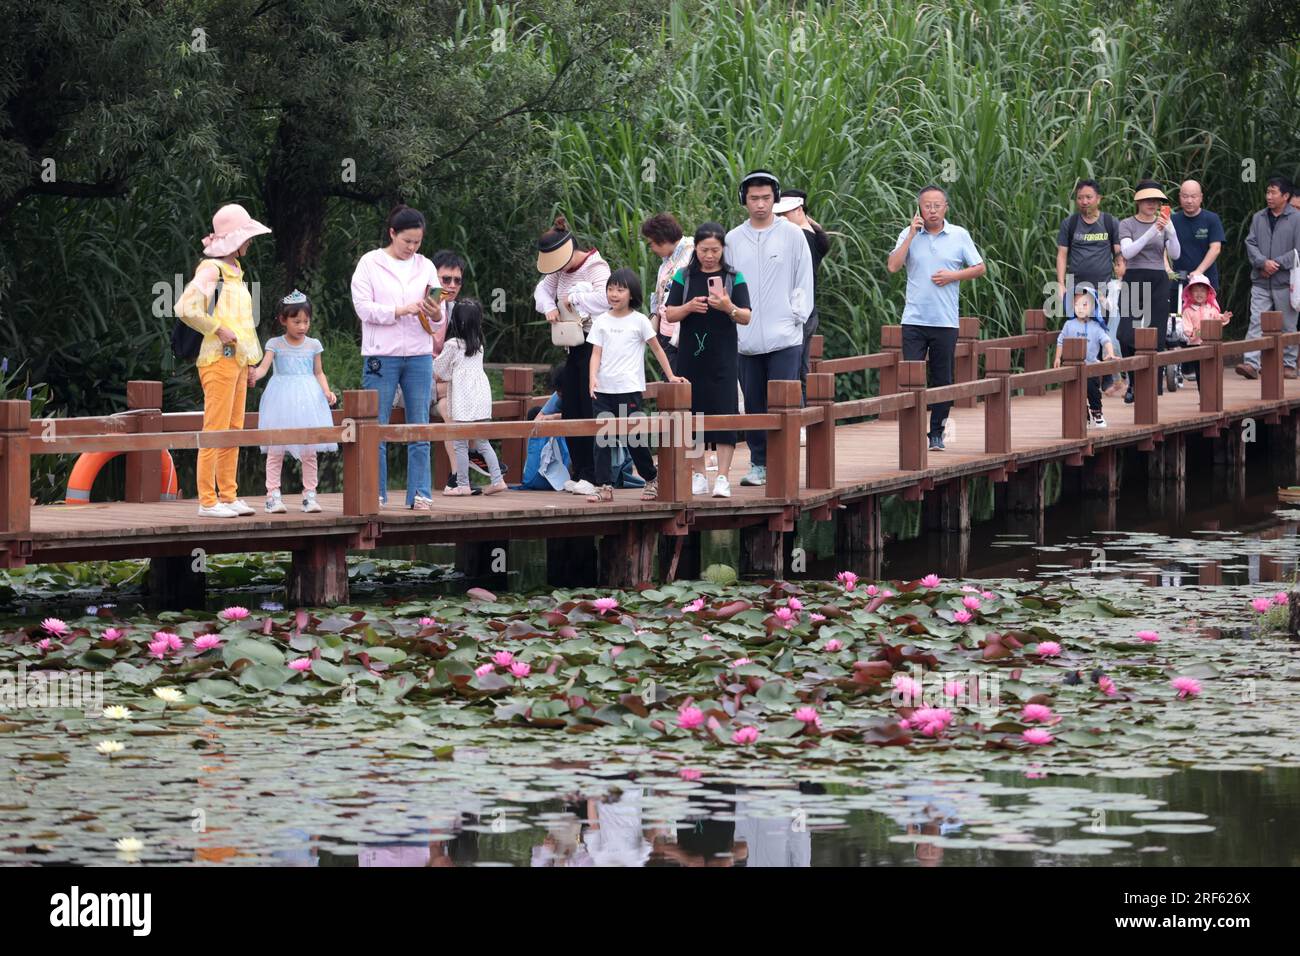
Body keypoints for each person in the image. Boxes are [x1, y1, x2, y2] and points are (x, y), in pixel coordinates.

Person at [173, 203, 271, 518]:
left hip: (238, 360)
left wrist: (251, 361)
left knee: (234, 427)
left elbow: (243, 324)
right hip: (217, 358)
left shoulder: (235, 271)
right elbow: (185, 307)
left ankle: (228, 495)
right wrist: (217, 329)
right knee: (215, 427)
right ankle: (208, 500)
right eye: (246, 237)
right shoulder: (211, 269)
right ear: (234, 239)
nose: (250, 243)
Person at [726, 170, 814, 485]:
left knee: (783, 402)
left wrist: (797, 315)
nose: (760, 204)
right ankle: (758, 464)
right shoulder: (733, 239)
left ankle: (784, 462)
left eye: (766, 198)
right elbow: (728, 284)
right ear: (744, 201)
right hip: (746, 338)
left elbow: (804, 278)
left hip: (785, 336)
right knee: (753, 404)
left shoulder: (792, 234)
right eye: (754, 199)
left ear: (774, 199)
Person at [351, 204, 440, 509]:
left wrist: (436, 312)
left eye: (417, 242)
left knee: (420, 425)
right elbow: (363, 308)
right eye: (407, 242)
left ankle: (420, 493)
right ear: (392, 234)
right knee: (377, 425)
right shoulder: (369, 263)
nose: (412, 248)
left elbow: (438, 315)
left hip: (419, 354)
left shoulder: (426, 266)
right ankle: (375, 492)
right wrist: (399, 311)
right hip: (382, 354)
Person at [886, 184, 986, 450]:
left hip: (944, 321)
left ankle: (937, 432)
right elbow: (893, 266)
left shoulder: (959, 235)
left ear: (946, 208)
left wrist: (953, 276)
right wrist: (910, 234)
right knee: (911, 377)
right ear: (919, 208)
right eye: (926, 205)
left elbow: (979, 267)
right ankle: (912, 432)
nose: (931, 210)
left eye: (936, 205)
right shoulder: (908, 234)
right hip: (914, 320)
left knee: (942, 379)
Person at [663, 221, 753, 498]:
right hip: (691, 357)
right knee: (693, 415)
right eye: (704, 250)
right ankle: (699, 474)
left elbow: (747, 317)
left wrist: (728, 307)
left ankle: (723, 478)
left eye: (715, 250)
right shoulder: (683, 276)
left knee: (725, 415)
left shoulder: (734, 277)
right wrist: (689, 307)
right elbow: (669, 314)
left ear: (723, 249)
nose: (709, 255)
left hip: (724, 357)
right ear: (696, 248)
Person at [585, 268, 684, 503]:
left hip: (628, 389)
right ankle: (603, 486)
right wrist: (592, 378)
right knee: (602, 440)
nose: (614, 294)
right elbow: (595, 354)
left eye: (620, 289)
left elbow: (657, 348)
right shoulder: (601, 321)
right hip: (603, 390)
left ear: (631, 294)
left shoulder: (639, 321)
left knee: (634, 437)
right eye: (610, 289)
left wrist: (671, 376)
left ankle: (651, 479)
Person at [534, 214, 611, 495]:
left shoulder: (595, 265)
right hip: (573, 346)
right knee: (572, 408)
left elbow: (606, 298)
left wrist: (573, 298)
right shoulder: (558, 272)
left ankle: (594, 474)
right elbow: (540, 290)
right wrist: (549, 307)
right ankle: (579, 471)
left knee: (590, 407)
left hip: (594, 344)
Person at [248, 291, 338, 513]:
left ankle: (309, 495)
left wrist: (327, 391)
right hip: (281, 398)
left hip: (308, 397)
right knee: (276, 448)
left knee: (309, 449)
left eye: (306, 321)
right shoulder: (275, 344)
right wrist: (253, 375)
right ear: (283, 320)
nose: (302, 326)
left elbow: (318, 372)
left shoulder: (313, 345)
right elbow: (263, 368)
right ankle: (273, 495)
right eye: (296, 321)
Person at [434, 298, 507, 496]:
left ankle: (463, 484)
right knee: (483, 442)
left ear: (455, 321)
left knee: (459, 442)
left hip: (462, 398)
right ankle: (497, 480)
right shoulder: (479, 346)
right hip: (481, 397)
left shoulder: (452, 344)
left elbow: (440, 370)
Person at [1055, 179, 1122, 394]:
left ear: (1098, 199)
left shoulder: (1110, 222)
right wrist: (1060, 283)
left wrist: (1121, 270)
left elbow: (1118, 252)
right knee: (1078, 330)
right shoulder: (1071, 223)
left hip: (1103, 287)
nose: (1084, 202)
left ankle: (1107, 379)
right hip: (1077, 288)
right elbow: (1062, 254)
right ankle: (1079, 378)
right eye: (1080, 198)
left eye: (1089, 197)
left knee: (1102, 329)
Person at [1117, 180, 1181, 402]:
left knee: (1157, 333)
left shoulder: (1164, 223)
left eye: (1156, 200)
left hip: (1158, 278)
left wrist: (1170, 231)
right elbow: (1128, 252)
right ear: (1138, 201)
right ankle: (1134, 381)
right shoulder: (1127, 224)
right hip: (1134, 276)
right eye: (1147, 200)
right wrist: (1153, 231)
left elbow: (1176, 253)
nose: (1152, 204)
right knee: (1125, 333)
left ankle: (1153, 385)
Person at [1238, 177, 1300, 380]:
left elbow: (1298, 251)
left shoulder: (1296, 218)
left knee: (1288, 325)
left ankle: (1288, 365)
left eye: (1273, 192)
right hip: (1261, 279)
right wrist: (1262, 262)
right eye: (1267, 192)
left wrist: (1276, 264)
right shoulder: (1259, 217)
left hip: (1285, 281)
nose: (1269, 196)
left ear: (1286, 196)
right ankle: (1251, 363)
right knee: (1256, 321)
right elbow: (1250, 243)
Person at [774, 189, 832, 396]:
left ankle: (796, 424)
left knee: (793, 371)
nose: (779, 220)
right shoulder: (814, 235)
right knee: (801, 369)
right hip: (808, 312)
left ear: (799, 211)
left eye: (784, 215)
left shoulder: (801, 237)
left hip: (797, 313)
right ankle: (802, 422)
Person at [1053, 287, 1117, 429]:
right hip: (1073, 368)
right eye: (1076, 305)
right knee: (1076, 394)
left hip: (1091, 367)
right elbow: (1060, 341)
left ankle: (1097, 413)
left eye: (1084, 304)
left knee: (1093, 392)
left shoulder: (1096, 327)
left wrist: (1110, 352)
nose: (1080, 308)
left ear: (1093, 306)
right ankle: (1083, 415)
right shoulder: (1069, 325)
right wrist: (1058, 357)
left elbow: (1106, 339)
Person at [641, 213, 695, 374]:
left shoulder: (693, 253)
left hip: (686, 333)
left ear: (662, 237)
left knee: (686, 388)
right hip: (666, 335)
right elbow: (658, 297)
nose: (651, 249)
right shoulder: (666, 262)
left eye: (651, 243)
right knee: (672, 387)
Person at [1170, 180, 1225, 290]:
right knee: (1177, 307)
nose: (1189, 201)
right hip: (1179, 281)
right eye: (1185, 196)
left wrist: (1199, 271)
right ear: (1179, 197)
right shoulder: (1172, 220)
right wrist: (1168, 270)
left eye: (1193, 196)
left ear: (1201, 197)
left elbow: (1215, 248)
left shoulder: (1211, 219)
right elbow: (1163, 248)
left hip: (1205, 281)